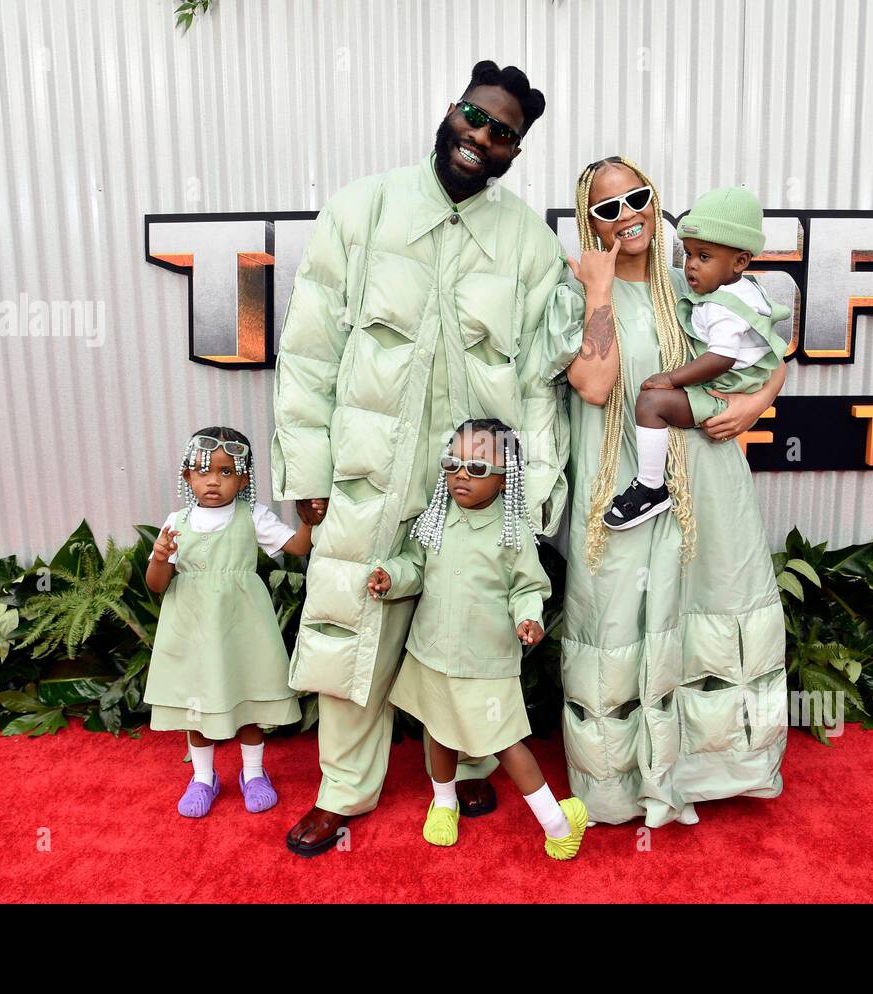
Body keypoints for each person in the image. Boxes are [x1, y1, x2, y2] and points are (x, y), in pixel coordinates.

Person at [271, 62, 568, 857]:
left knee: (471, 625)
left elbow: (541, 385)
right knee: (352, 620)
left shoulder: (530, 244)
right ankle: (343, 791)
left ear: (515, 148)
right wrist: (305, 473)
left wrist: (536, 492)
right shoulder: (362, 208)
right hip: (372, 467)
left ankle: (472, 757)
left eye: (501, 131)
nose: (480, 137)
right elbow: (306, 354)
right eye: (474, 117)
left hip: (479, 483)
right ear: (451, 110)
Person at [543, 157, 790, 828]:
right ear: (588, 220)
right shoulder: (572, 295)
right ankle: (622, 787)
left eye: (638, 198)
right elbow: (594, 387)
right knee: (617, 616)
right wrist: (597, 291)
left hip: (703, 476)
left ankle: (705, 773)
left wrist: (762, 401)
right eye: (607, 208)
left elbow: (765, 349)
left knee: (705, 602)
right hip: (616, 488)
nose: (627, 216)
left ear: (657, 202)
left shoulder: (695, 285)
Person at [368, 419, 588, 859]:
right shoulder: (435, 519)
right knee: (440, 730)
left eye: (477, 467)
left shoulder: (513, 532)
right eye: (453, 463)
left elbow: (528, 588)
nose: (461, 475)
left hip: (486, 658)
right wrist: (390, 576)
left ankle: (558, 823)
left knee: (504, 741)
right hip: (432, 651)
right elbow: (415, 568)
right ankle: (444, 802)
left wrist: (529, 618)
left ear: (507, 475)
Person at [144, 427, 322, 818]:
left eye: (227, 472)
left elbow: (296, 548)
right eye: (203, 471)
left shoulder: (252, 516)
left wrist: (309, 521)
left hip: (242, 629)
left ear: (244, 478)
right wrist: (159, 558)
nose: (213, 481)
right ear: (187, 475)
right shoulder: (177, 522)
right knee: (197, 705)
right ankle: (203, 778)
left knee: (247, 701)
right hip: (192, 630)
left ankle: (254, 773)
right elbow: (157, 586)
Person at [603, 185, 790, 531]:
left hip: (721, 399)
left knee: (651, 402)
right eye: (688, 254)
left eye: (704, 257)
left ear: (740, 261)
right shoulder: (739, 290)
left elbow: (723, 358)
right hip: (720, 403)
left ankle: (650, 486)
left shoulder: (722, 305)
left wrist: (672, 379)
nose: (690, 266)